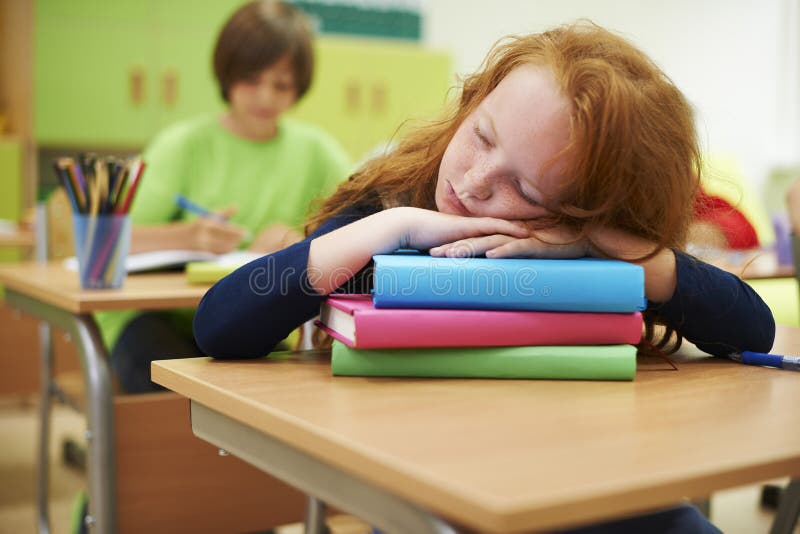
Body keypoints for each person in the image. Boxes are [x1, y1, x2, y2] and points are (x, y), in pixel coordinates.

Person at [194, 22, 774, 533]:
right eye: (482, 137)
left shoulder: (594, 250)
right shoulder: (397, 205)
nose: (473, 183)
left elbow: (753, 331)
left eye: (525, 190)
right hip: (434, 500)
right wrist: (385, 226)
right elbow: (221, 326)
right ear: (473, 101)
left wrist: (613, 247)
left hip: (594, 489)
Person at [96, 0, 351, 393]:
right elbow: (103, 244)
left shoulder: (319, 153)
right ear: (227, 74)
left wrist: (297, 244)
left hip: (246, 322)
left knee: (267, 399)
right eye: (251, 80)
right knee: (179, 398)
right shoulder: (183, 146)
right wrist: (188, 237)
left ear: (298, 87)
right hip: (154, 319)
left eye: (281, 85)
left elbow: (359, 226)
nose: (265, 97)